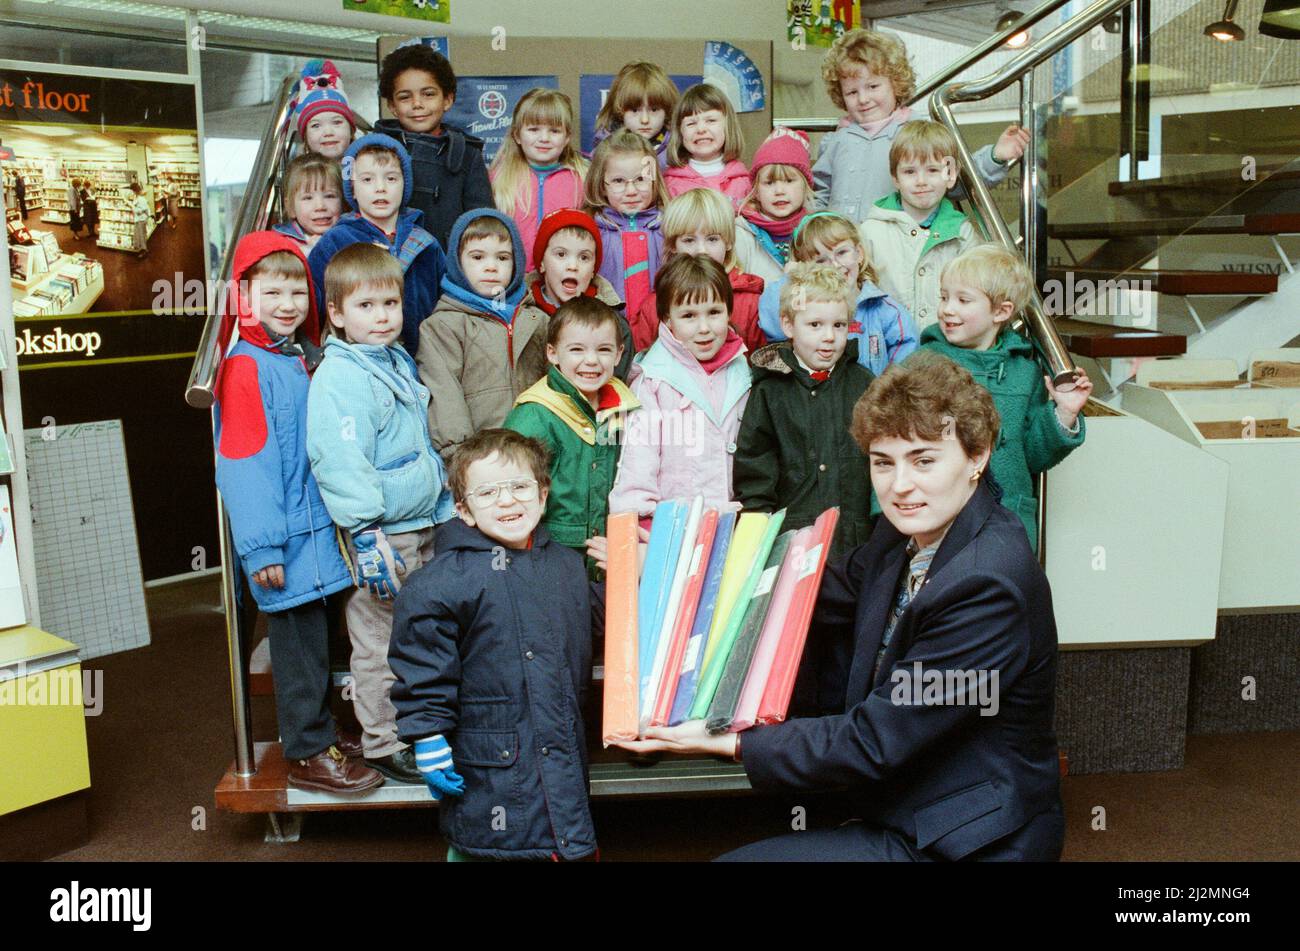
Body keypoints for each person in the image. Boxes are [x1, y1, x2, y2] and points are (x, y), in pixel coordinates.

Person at [617, 352, 1067, 862]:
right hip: (905, 804)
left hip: (968, 840)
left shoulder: (988, 583)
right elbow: (801, 588)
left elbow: (874, 740)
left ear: (978, 455)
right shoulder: (900, 538)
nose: (899, 486)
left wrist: (728, 741)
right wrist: (675, 569)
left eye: (923, 460)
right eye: (883, 462)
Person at [213, 230, 382, 793]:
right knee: (298, 651)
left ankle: (322, 732)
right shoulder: (245, 367)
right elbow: (245, 464)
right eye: (272, 294)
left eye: (297, 293)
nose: (287, 306)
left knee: (320, 642)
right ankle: (307, 751)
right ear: (244, 298)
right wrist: (260, 547)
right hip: (283, 542)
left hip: (314, 534)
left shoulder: (296, 358)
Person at [389, 428, 601, 862]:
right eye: (488, 493)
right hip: (489, 767)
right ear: (464, 510)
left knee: (562, 839)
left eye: (520, 487)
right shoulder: (440, 584)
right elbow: (423, 668)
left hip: (560, 755)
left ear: (543, 495)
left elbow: (601, 624)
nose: (507, 501)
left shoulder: (566, 568)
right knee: (490, 847)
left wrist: (633, 575)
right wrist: (427, 736)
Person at [306, 243, 456, 785]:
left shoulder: (391, 358)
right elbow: (339, 461)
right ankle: (383, 740)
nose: (382, 316)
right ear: (338, 315)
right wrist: (365, 533)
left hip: (419, 523)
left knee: (418, 635)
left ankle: (420, 728)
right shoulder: (341, 376)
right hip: (382, 533)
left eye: (390, 304)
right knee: (378, 642)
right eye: (366, 307)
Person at [918, 244, 1092, 550]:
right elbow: (894, 444)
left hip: (1008, 524)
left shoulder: (1024, 372)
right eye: (944, 297)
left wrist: (1064, 413)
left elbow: (1035, 456)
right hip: (940, 522)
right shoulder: (921, 365)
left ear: (1001, 311)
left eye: (963, 300)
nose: (947, 309)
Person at [812, 28, 1028, 224]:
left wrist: (995, 156)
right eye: (852, 92)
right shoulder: (836, 140)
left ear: (895, 84)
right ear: (840, 94)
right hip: (842, 255)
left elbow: (957, 179)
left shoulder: (916, 132)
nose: (863, 99)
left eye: (873, 86)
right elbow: (820, 194)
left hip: (900, 251)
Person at [734, 263, 875, 559]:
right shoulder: (770, 390)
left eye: (838, 325)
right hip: (792, 542)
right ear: (788, 325)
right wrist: (758, 536)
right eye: (815, 325)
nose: (829, 337)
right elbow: (755, 468)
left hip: (857, 541)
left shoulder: (865, 385)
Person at [608, 254, 751, 523]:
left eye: (714, 312)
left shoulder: (743, 372)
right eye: (688, 316)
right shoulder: (652, 382)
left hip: (732, 529)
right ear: (667, 319)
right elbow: (637, 467)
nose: (704, 328)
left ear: (729, 311)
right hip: (674, 532)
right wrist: (644, 527)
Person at [504, 296, 640, 574]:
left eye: (603, 350)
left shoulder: (624, 406)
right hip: (550, 554)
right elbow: (513, 490)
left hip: (607, 552)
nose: (591, 361)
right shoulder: (536, 413)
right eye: (576, 349)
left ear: (618, 354)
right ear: (552, 353)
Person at [415, 208, 540, 462]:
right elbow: (444, 395)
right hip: (479, 458)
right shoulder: (443, 326)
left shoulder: (537, 320)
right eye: (478, 257)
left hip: (535, 454)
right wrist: (461, 456)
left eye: (503, 258)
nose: (491, 267)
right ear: (458, 263)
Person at [308, 133, 447, 355]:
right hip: (357, 359)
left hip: (421, 362)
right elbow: (313, 308)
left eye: (391, 178)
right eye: (367, 179)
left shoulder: (426, 243)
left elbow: (446, 304)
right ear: (352, 188)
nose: (380, 188)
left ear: (405, 184)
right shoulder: (334, 242)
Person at [758, 210, 917, 376]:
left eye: (842, 253)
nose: (835, 265)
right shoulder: (801, 304)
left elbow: (905, 366)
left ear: (859, 253)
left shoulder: (886, 311)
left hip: (873, 399)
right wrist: (790, 278)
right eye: (820, 261)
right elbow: (774, 328)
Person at [859, 120, 980, 330]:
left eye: (933, 170)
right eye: (909, 172)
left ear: (951, 175)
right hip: (888, 345)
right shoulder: (870, 230)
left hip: (945, 344)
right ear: (895, 178)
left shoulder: (962, 233)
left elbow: (977, 293)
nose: (921, 181)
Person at [374, 41, 493, 251]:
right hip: (387, 270)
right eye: (405, 97)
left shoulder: (467, 154)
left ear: (447, 99)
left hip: (449, 270)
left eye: (428, 94)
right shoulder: (374, 150)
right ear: (392, 105)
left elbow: (483, 224)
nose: (417, 104)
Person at [631, 187, 766, 356]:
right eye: (689, 240)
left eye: (712, 239)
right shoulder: (655, 304)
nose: (701, 250)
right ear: (673, 245)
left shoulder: (751, 303)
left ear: (729, 242)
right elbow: (642, 365)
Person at [517, 208, 634, 381]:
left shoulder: (614, 323)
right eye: (561, 254)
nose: (573, 265)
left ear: (594, 268)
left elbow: (617, 387)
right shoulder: (519, 316)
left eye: (584, 257)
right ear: (541, 263)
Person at [489, 88, 588, 265]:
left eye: (554, 131)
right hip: (512, 282)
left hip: (564, 281)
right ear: (517, 135)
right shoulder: (498, 179)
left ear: (567, 138)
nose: (544, 138)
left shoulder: (582, 179)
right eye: (534, 129)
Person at [585, 129, 669, 321]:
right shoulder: (592, 233)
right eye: (618, 181)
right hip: (607, 330)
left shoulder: (668, 228)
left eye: (640, 179)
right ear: (601, 186)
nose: (631, 191)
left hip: (659, 331)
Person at [733, 128, 814, 284]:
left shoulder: (816, 231)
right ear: (755, 191)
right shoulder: (741, 236)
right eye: (769, 183)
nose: (779, 191)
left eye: (789, 181)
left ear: (806, 186)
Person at [663, 83, 751, 207]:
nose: (701, 129)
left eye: (711, 121)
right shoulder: (669, 184)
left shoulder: (744, 182)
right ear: (680, 131)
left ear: (728, 126)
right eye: (691, 123)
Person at [590, 61, 680, 168]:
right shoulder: (603, 153)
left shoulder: (677, 152)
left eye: (654, 110)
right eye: (635, 110)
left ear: (667, 111)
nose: (645, 120)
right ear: (620, 111)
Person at [273, 153, 343, 250]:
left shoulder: (351, 237)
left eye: (329, 196)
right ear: (291, 207)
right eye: (308, 198)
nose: (320, 206)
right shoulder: (282, 246)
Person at [293, 59, 356, 160]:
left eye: (337, 122)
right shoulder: (301, 174)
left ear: (351, 130)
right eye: (316, 125)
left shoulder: (368, 170)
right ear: (305, 136)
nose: (328, 132)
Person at [128, 181, 151, 260]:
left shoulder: (141, 199)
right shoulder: (137, 197)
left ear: (134, 190)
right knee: (140, 235)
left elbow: (140, 210)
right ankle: (142, 249)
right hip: (140, 219)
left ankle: (144, 251)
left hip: (141, 219)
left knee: (141, 235)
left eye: (131, 190)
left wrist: (131, 206)